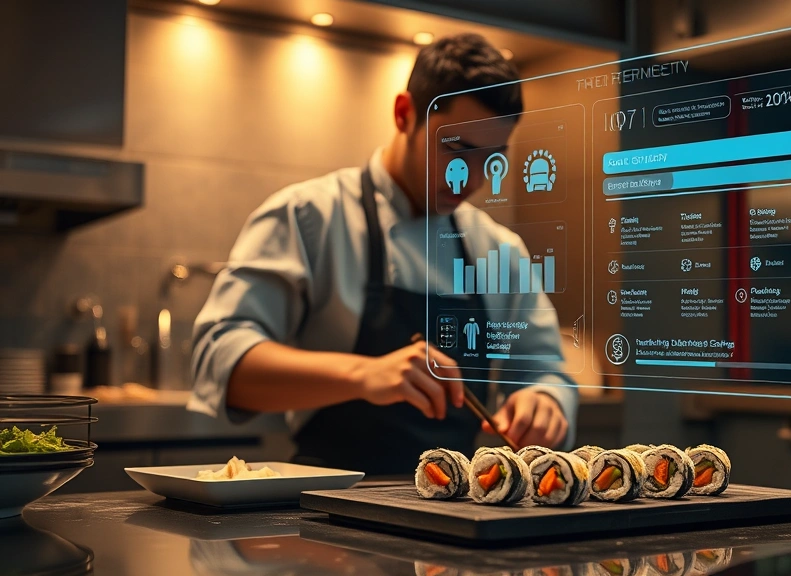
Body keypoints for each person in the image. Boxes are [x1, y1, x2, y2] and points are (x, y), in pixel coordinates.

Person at [187, 34, 577, 475]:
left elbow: (547, 371)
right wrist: (363, 375)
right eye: (456, 150)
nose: (471, 179)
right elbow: (219, 361)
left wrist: (543, 402)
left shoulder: (500, 251)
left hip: (459, 509)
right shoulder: (308, 217)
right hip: (329, 514)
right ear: (404, 114)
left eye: (492, 159)